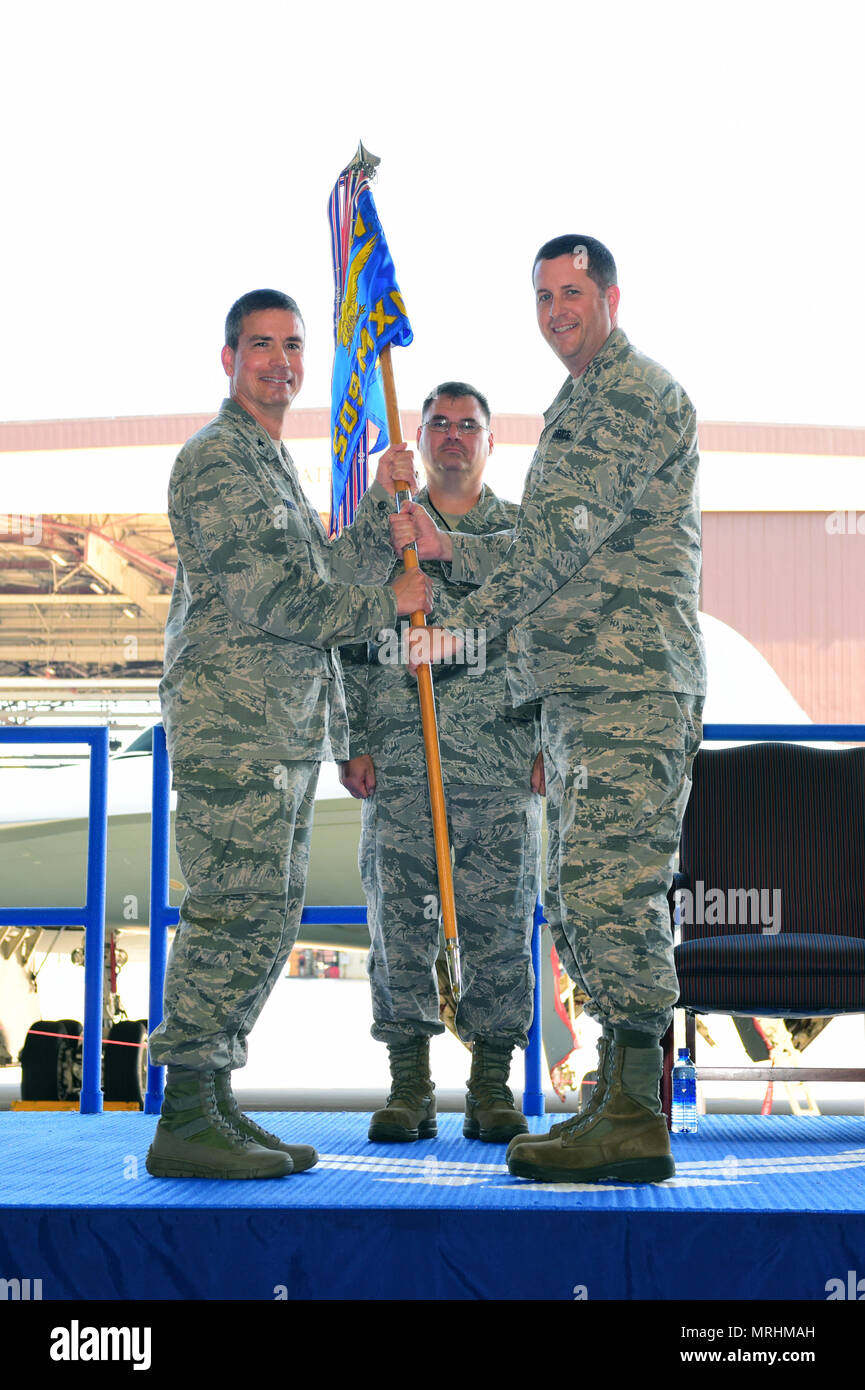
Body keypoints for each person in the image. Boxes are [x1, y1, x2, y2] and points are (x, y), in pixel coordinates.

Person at [393, 237, 706, 1183]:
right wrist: (447, 551)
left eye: (572, 292)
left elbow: (554, 553)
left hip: (629, 686)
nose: (556, 309)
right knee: (578, 891)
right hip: (581, 689)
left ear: (610, 296)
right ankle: (614, 1099)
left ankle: (636, 1116)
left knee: (614, 888)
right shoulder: (579, 401)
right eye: (543, 295)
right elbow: (548, 542)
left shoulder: (630, 395)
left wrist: (454, 624)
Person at [146, 289, 432, 1179]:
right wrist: (387, 600)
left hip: (278, 731)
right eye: (261, 345)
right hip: (232, 729)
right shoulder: (216, 461)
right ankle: (185, 1112)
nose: (281, 362)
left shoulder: (269, 463)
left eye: (293, 346)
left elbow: (314, 576)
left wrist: (385, 525)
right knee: (234, 909)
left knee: (268, 912)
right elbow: (271, 599)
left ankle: (214, 1099)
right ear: (227, 358)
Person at [338, 383, 543, 1144]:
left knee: (497, 918)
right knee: (400, 921)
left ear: (491, 442)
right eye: (439, 426)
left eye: (468, 426)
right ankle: (408, 1085)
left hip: (497, 762)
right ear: (418, 440)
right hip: (399, 761)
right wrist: (351, 739)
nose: (453, 437)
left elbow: (543, 644)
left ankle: (491, 1084)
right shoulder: (386, 528)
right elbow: (351, 640)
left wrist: (543, 744)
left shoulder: (521, 538)